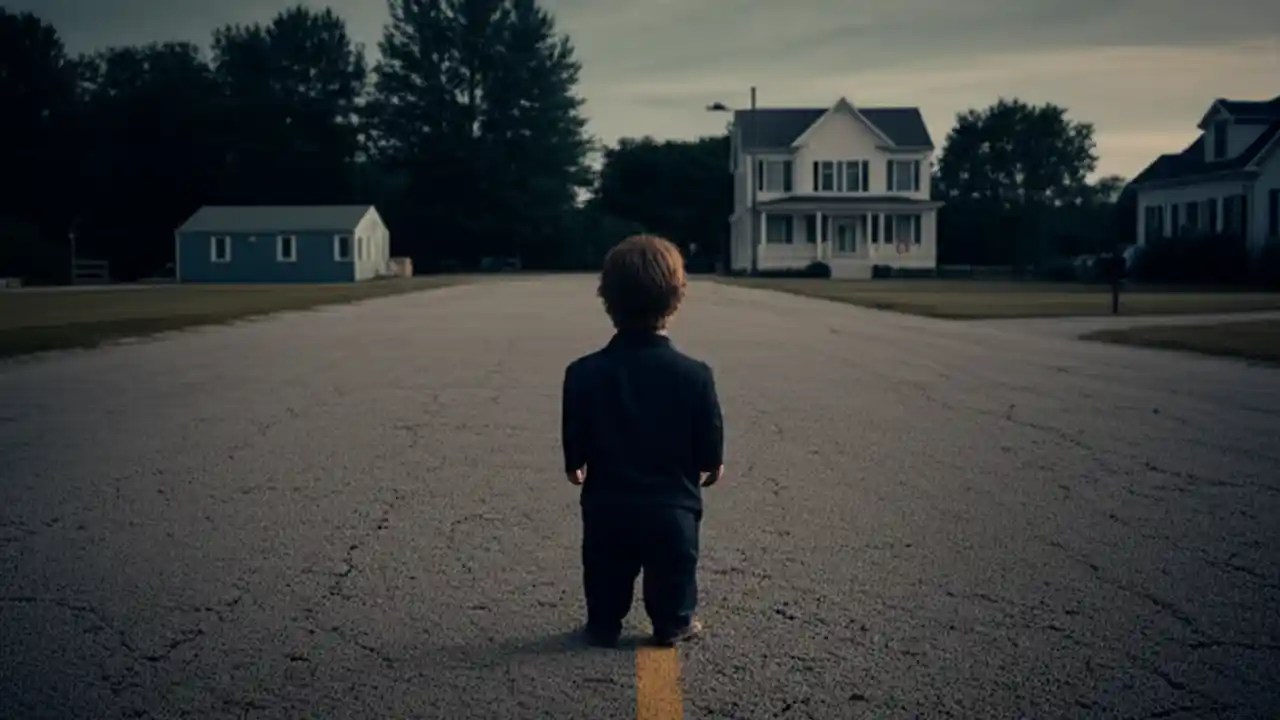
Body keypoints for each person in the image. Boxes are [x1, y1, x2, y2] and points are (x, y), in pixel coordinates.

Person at [561, 234, 725, 648]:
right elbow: (709, 431)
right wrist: (712, 460)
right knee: (675, 569)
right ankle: (674, 621)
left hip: (608, 504)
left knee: (604, 568)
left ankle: (603, 623)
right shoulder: (695, 374)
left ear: (606, 298)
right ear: (676, 297)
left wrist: (574, 460)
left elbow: (575, 427)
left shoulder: (583, 372)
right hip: (672, 507)